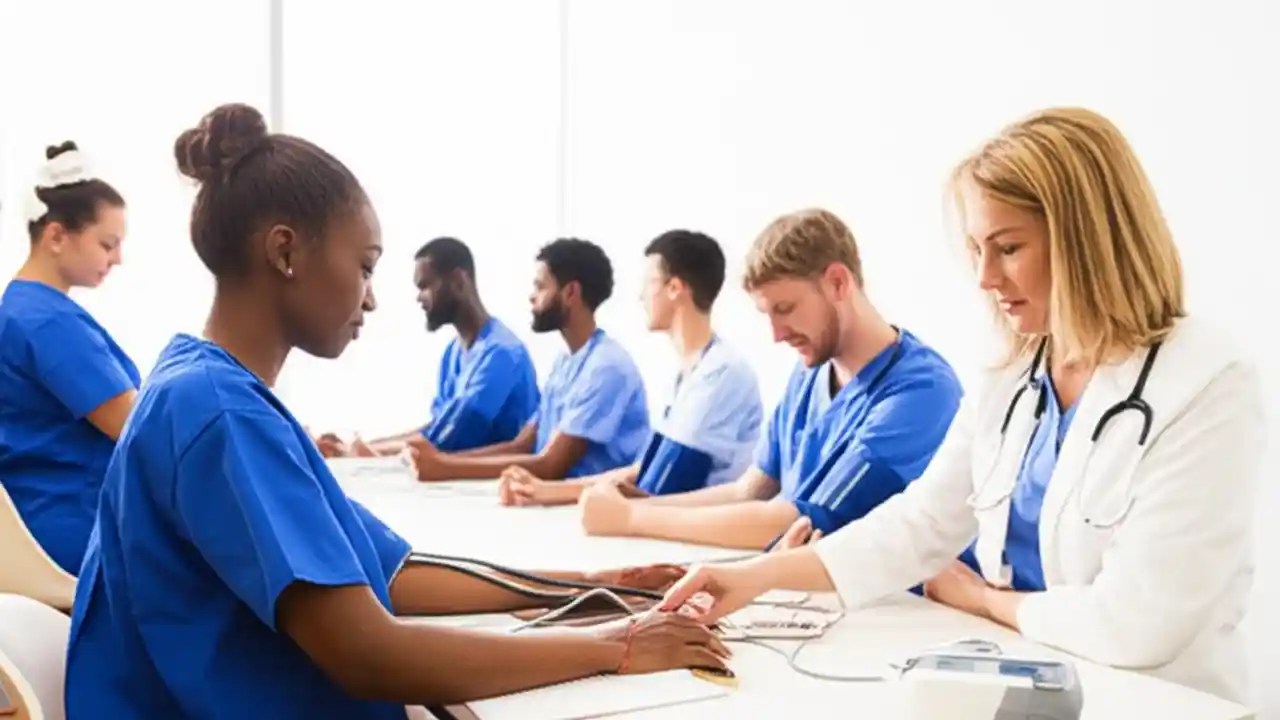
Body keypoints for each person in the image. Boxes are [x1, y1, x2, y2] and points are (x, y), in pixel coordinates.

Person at [65, 103, 727, 719]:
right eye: (365, 265)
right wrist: (618, 648)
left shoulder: (214, 394)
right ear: (286, 251)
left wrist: (589, 585)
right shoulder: (217, 412)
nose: (373, 299)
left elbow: (393, 572)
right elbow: (372, 654)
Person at [659, 108, 1265, 704]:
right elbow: (921, 523)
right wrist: (748, 578)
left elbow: (1139, 622)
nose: (983, 277)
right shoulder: (1014, 374)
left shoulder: (1206, 382)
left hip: (1157, 700)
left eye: (1006, 248)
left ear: (1087, 239)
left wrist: (982, 601)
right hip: (1025, 678)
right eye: (976, 249)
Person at [578, 209, 964, 550]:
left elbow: (798, 521)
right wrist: (638, 506)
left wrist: (632, 519)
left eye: (785, 309)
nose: (777, 335)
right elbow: (751, 490)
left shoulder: (921, 391)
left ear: (838, 283)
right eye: (768, 314)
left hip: (903, 609)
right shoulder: (810, 373)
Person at [498, 229, 763, 507]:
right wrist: (543, 491)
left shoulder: (719, 373)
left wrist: (555, 492)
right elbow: (643, 470)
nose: (640, 296)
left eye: (648, 283)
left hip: (696, 530)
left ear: (674, 288)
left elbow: (661, 486)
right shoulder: (687, 373)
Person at [0, 141, 137, 574]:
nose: (118, 259)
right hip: (73, 534)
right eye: (107, 243)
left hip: (36, 525)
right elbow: (138, 429)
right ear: (57, 235)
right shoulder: (45, 323)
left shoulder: (19, 311)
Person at [410, 238, 650, 482]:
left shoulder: (605, 367)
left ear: (570, 293)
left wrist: (445, 467)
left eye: (540, 287)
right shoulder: (565, 362)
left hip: (585, 508)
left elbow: (550, 465)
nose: (531, 297)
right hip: (546, 499)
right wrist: (442, 461)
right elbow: (521, 446)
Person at [317, 236, 538, 457]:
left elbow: (449, 441)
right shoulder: (452, 354)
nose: (419, 298)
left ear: (458, 281)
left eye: (425, 286)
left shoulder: (502, 354)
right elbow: (436, 429)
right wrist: (364, 446)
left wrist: (362, 452)